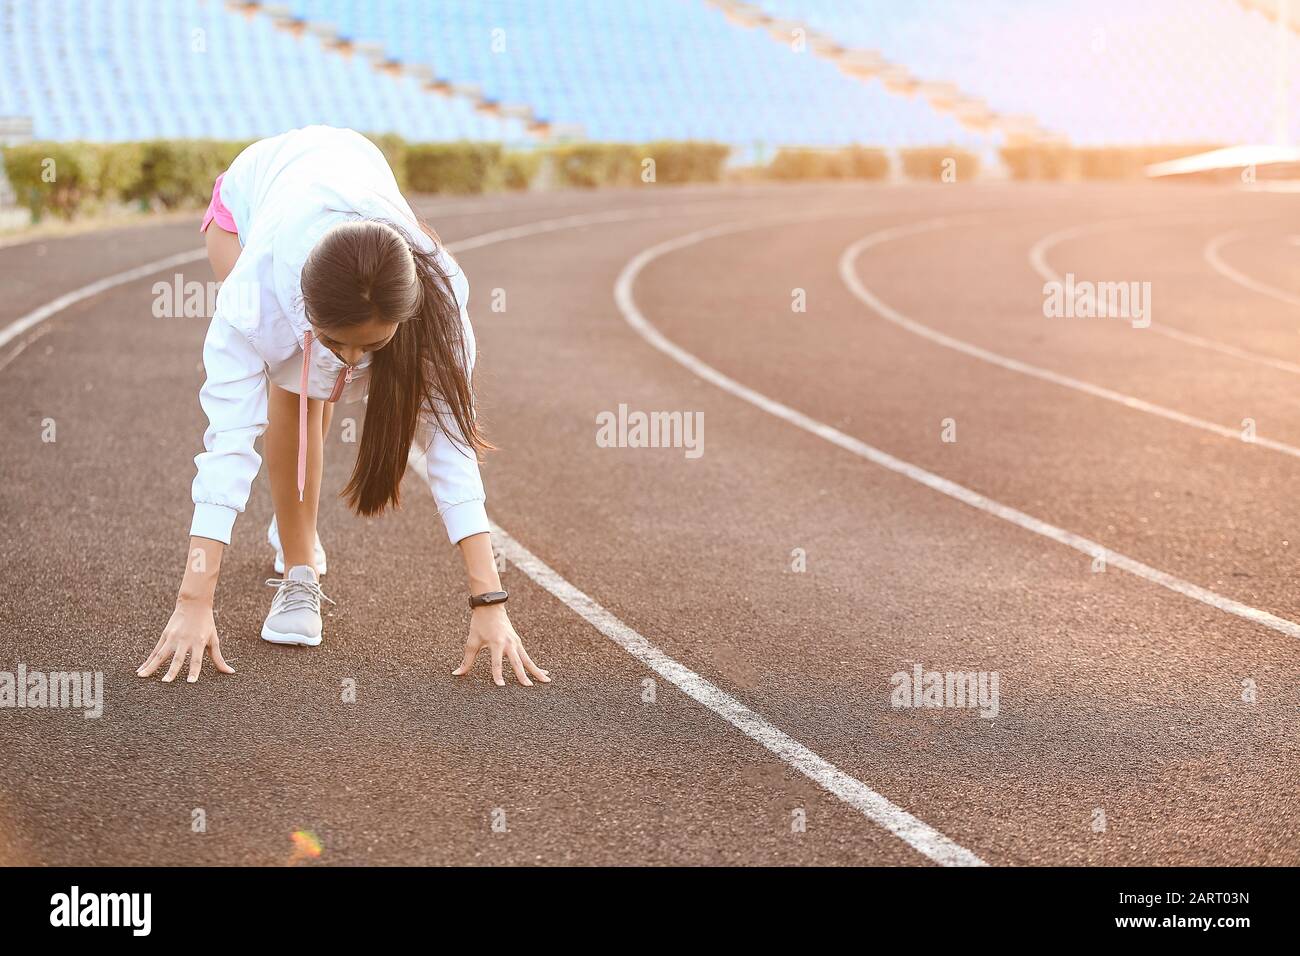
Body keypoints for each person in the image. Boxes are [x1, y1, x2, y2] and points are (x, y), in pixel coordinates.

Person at [136, 126, 548, 689]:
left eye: (371, 347)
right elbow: (228, 444)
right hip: (248, 206)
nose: (354, 363)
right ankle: (299, 568)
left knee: (319, 384)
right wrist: (192, 600)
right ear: (306, 307)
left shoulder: (440, 305)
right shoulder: (254, 301)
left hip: (340, 185)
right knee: (296, 392)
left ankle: (293, 525)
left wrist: (489, 601)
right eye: (337, 343)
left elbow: (452, 448)